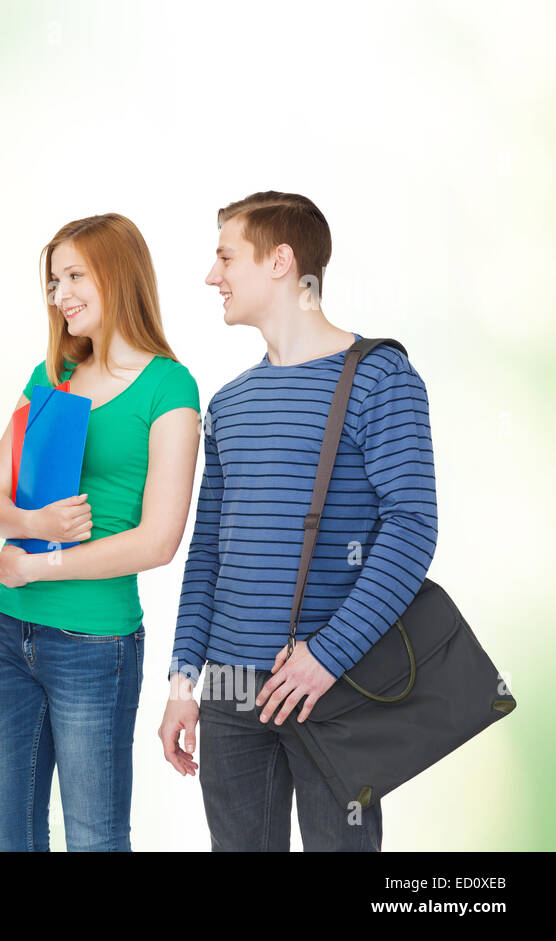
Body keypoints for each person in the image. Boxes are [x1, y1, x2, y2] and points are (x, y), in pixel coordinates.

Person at [159, 191, 437, 852]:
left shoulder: (381, 377)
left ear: (281, 260)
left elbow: (410, 528)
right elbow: (207, 554)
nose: (211, 275)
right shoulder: (227, 404)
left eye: (226, 256)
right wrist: (182, 680)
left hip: (333, 689)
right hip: (228, 697)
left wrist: (327, 656)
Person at [0, 213, 201, 851]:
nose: (60, 294)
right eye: (53, 280)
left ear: (118, 275)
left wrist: (39, 563)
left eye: (74, 275)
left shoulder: (170, 388)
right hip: (7, 631)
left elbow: (159, 540)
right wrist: (32, 525)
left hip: (95, 644)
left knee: (95, 838)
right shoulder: (51, 375)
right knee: (8, 836)